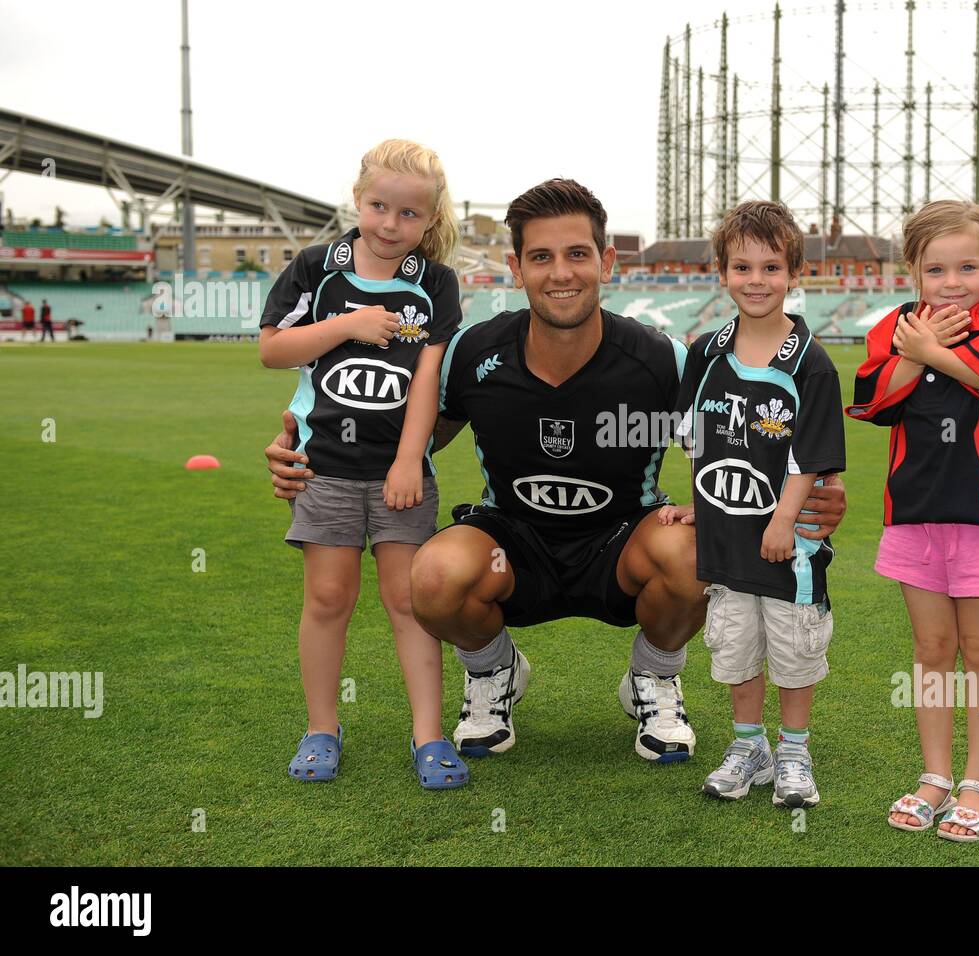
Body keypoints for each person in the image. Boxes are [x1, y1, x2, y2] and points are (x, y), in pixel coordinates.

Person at [265, 179, 848, 768]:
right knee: (436, 574)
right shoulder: (472, 354)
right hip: (512, 547)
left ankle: (654, 677)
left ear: (607, 261)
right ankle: (493, 672)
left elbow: (743, 433)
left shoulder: (662, 359)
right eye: (541, 257)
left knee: (693, 553)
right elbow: (407, 435)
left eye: (577, 254)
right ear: (517, 268)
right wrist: (306, 448)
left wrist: (822, 489)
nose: (560, 273)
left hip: (621, 544)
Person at [258, 139, 466, 789]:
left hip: (400, 472)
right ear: (357, 198)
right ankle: (322, 728)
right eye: (378, 206)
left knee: (408, 601)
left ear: (429, 220)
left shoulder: (435, 284)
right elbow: (272, 349)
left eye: (408, 215)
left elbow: (429, 380)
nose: (389, 224)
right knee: (327, 598)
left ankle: (428, 736)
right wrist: (348, 326)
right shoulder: (317, 268)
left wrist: (411, 460)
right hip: (325, 467)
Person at [845, 199, 979, 841]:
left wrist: (936, 352)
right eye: (935, 270)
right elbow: (870, 403)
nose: (952, 282)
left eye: (968, 266)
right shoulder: (898, 326)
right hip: (915, 516)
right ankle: (933, 777)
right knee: (930, 651)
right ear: (912, 271)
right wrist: (914, 353)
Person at [661, 200, 846, 808]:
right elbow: (696, 440)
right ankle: (749, 747)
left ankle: (795, 751)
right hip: (725, 541)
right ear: (721, 271)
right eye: (742, 267)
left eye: (771, 267)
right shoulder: (705, 354)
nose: (757, 280)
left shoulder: (810, 363)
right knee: (735, 648)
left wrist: (785, 519)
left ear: (794, 272)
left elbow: (809, 457)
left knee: (794, 651)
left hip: (787, 547)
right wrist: (699, 505)